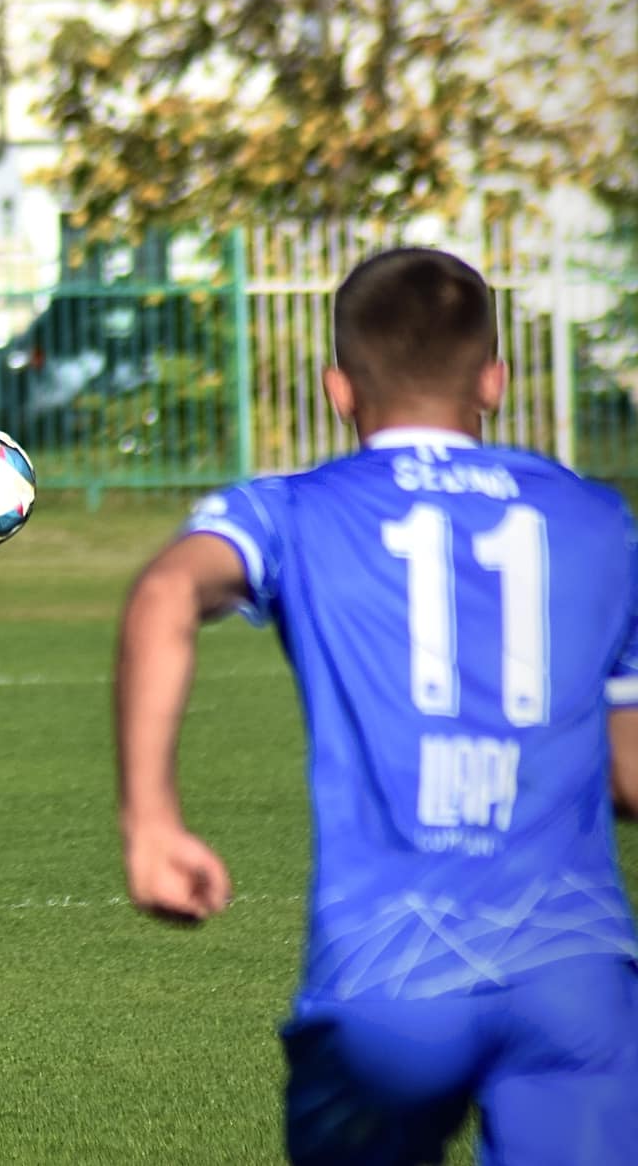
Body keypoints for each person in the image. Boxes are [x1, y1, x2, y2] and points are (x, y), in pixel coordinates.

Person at [113, 246, 638, 1166]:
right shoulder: (602, 521)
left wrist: (151, 822)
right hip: (577, 988)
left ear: (338, 388)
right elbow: (632, 775)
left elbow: (164, 594)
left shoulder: (292, 510)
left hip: (389, 981)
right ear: (494, 379)